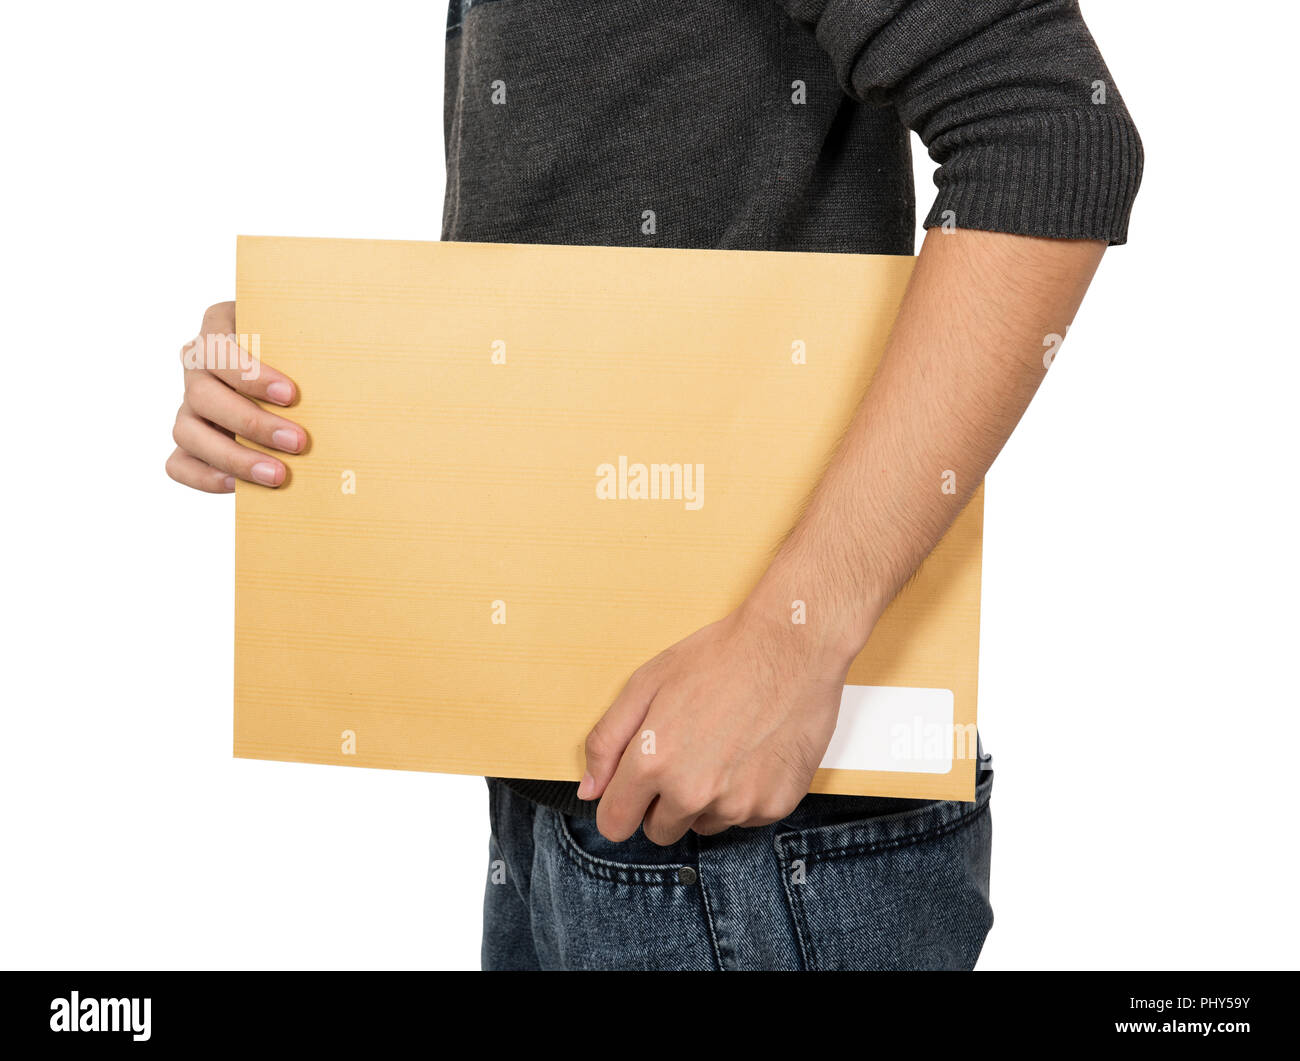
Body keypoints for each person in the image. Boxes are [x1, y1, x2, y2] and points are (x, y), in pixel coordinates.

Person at [166, 0, 1141, 970]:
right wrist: (315, 372)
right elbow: (582, 246)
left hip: (747, 843)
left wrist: (792, 637)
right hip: (575, 792)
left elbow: (1051, 128)